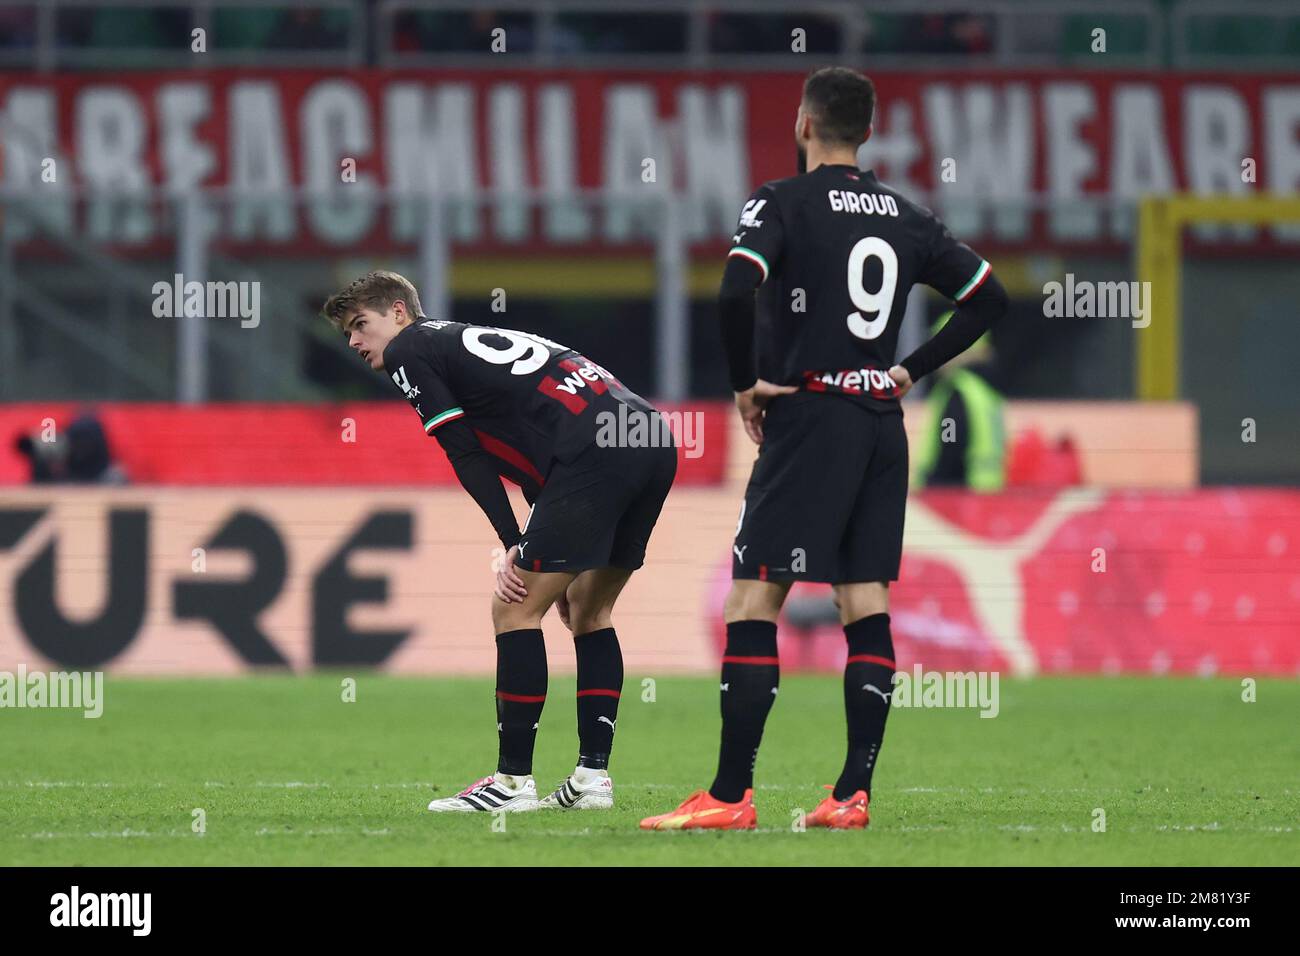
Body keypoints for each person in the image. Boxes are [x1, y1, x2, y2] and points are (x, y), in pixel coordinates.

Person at [641, 67, 1008, 831]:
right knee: (863, 598)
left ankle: (730, 795)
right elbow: (988, 299)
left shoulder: (781, 201)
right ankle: (850, 795)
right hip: (879, 419)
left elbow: (736, 289)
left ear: (805, 123)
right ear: (867, 132)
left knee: (753, 598)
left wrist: (746, 385)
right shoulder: (906, 216)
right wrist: (908, 370)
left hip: (810, 415)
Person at [323, 271, 677, 812]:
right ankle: (591, 781)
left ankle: (511, 783)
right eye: (347, 332)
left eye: (359, 325)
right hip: (647, 435)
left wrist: (515, 541)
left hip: (593, 453)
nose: (353, 341)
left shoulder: (410, 349)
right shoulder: (454, 339)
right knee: (588, 609)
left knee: (512, 607)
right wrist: (549, 541)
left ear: (398, 312)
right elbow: (538, 447)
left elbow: (463, 451)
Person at [915, 309, 1007, 491]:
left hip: (958, 500)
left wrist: (932, 487)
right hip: (988, 495)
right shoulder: (986, 392)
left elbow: (949, 447)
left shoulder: (957, 392)